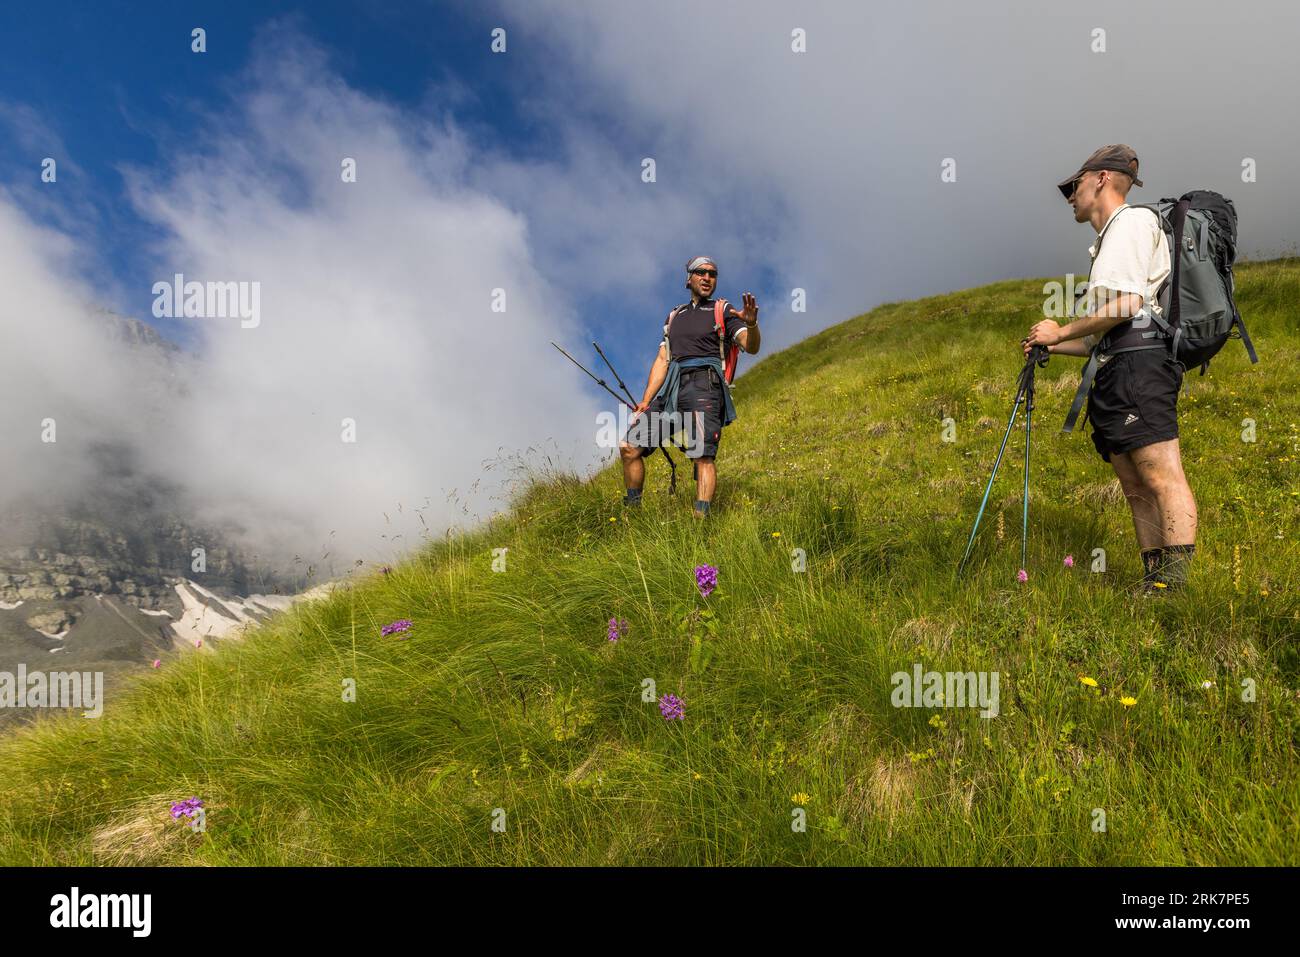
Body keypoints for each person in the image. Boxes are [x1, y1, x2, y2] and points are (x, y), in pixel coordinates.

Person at [1024, 145, 1195, 592]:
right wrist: (1050, 344)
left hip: (1141, 365)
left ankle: (1175, 588)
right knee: (1134, 483)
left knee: (1159, 474)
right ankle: (1154, 581)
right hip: (1117, 365)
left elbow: (1127, 305)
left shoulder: (1131, 223)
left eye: (1074, 184)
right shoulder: (1109, 239)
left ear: (1101, 178)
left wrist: (1060, 329)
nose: (1069, 195)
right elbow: (1100, 335)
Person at [620, 256, 761, 518]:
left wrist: (751, 324)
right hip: (672, 389)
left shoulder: (723, 310)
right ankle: (632, 514)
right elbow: (662, 360)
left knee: (702, 455)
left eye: (712, 274)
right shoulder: (674, 316)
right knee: (629, 446)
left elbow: (750, 346)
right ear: (689, 278)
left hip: (705, 384)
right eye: (701, 272)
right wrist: (646, 401)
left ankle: (700, 521)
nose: (707, 278)